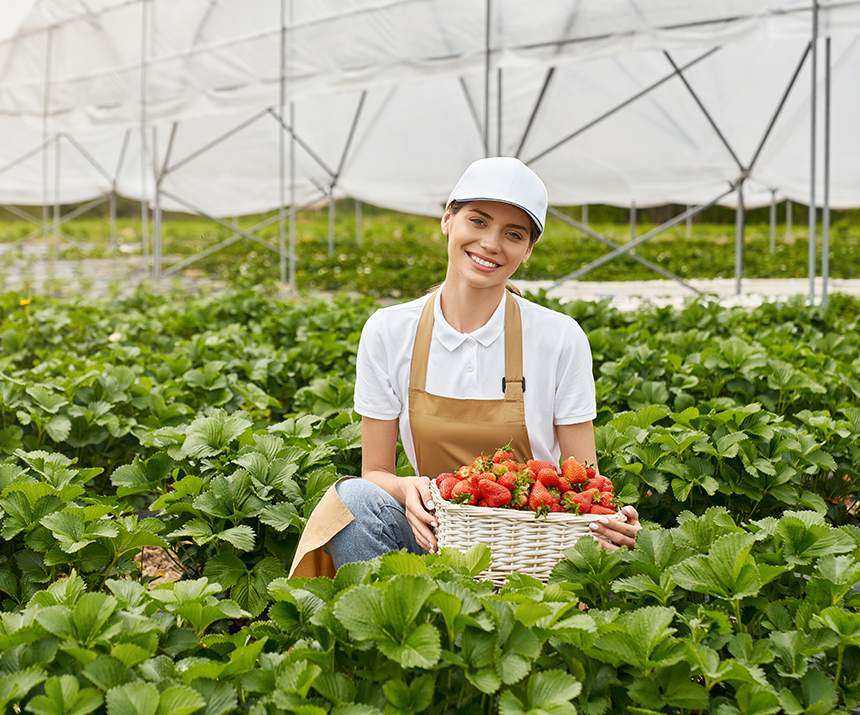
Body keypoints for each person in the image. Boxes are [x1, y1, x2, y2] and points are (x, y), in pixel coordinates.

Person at [289, 157, 641, 578]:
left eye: (513, 234)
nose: (491, 243)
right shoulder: (388, 331)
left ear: (528, 250)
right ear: (448, 220)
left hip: (528, 546)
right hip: (433, 537)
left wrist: (607, 519)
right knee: (353, 499)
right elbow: (376, 472)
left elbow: (583, 477)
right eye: (478, 221)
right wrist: (406, 488)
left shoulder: (559, 338)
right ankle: (396, 615)